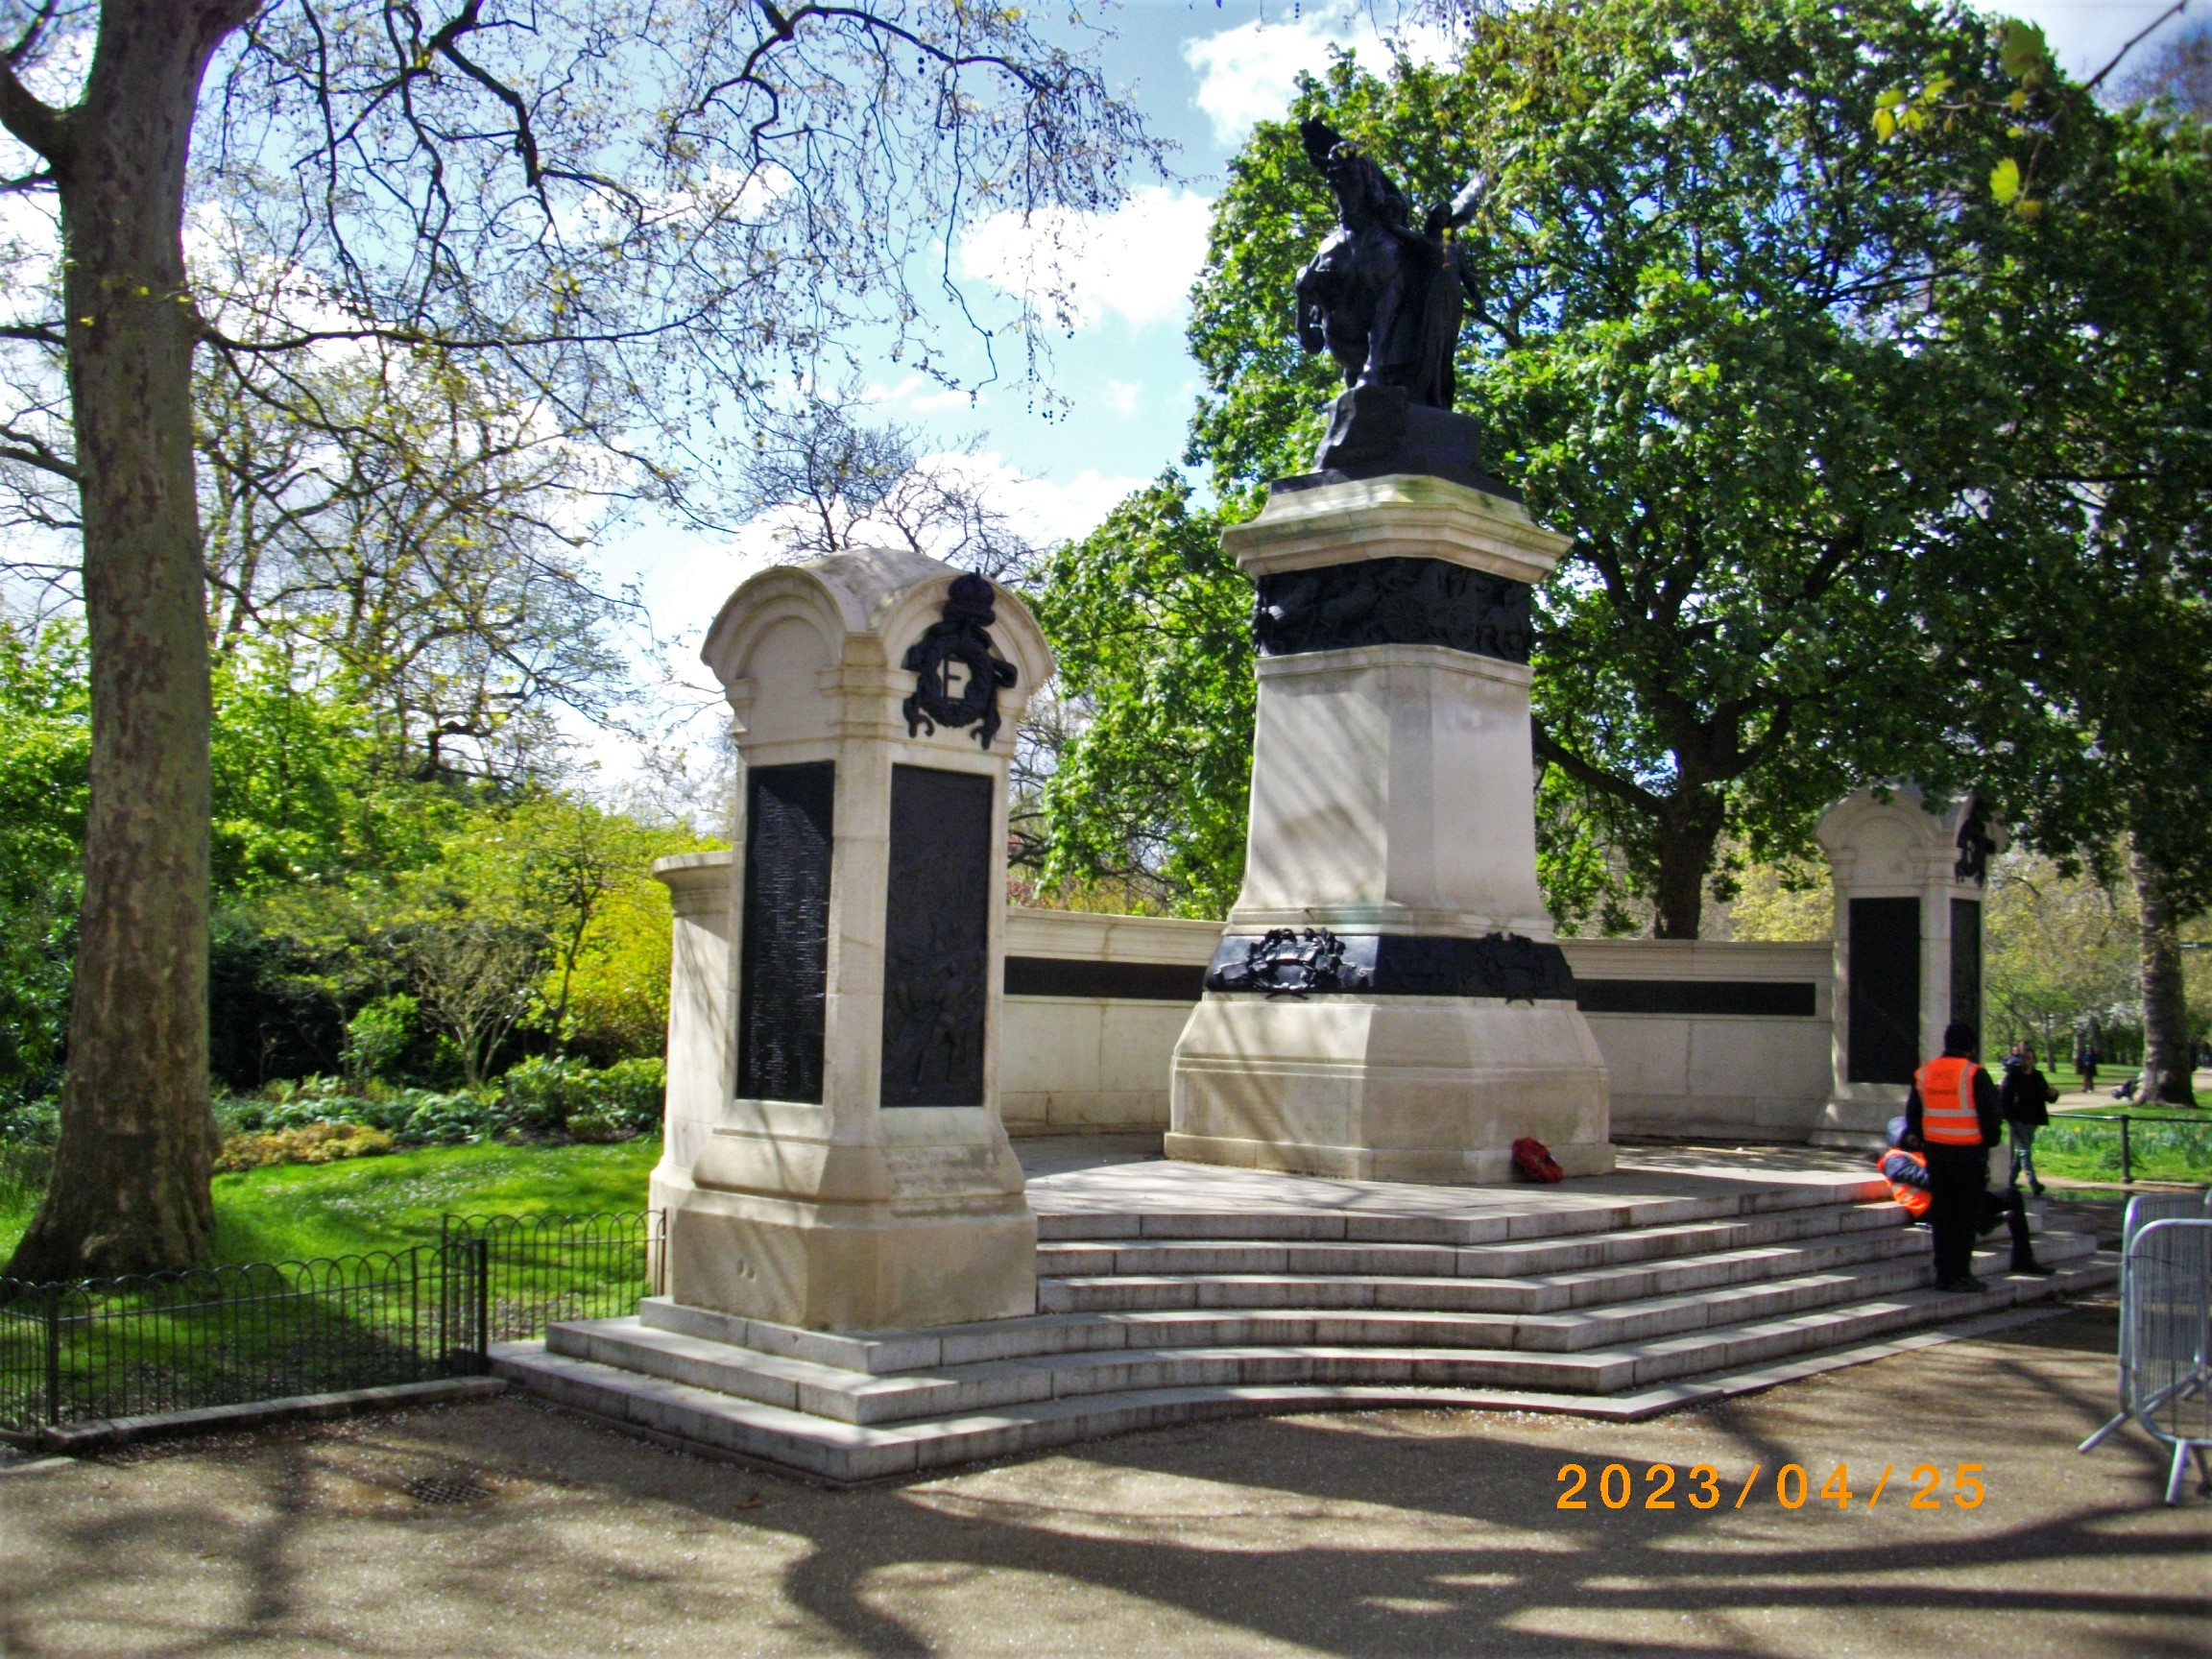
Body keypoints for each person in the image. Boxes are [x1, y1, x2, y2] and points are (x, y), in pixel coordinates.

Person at [1879, 1115, 2051, 1278]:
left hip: (1952, 1200)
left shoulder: (1926, 1152)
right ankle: (1981, 1221)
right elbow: (1928, 1180)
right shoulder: (1894, 1158)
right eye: (1909, 1135)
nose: (1915, 1138)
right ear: (1898, 1137)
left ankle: (2023, 1258)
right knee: (1967, 1200)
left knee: (2011, 1196)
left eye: (1915, 1133)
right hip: (1930, 1209)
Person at [1905, 1022, 2006, 1291]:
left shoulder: (1925, 1072)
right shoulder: (1974, 1074)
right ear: (1971, 1046)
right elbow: (1990, 1117)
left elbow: (1913, 1115)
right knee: (1965, 1217)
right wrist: (1990, 1140)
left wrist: (1920, 1135)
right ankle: (1960, 1273)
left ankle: (1943, 1273)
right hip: (1968, 1156)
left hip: (1937, 1154)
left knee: (1944, 1214)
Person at [1999, 1042, 2058, 1198]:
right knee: (2025, 1151)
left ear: (2034, 1060)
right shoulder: (2013, 1076)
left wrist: (2053, 1094)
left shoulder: (2038, 1076)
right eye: (2024, 1058)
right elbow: (2005, 1098)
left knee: (2021, 1153)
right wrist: (2008, 1116)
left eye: (2030, 1058)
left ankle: (2010, 1180)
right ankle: (2034, 1183)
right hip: (2018, 1119)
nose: (2027, 1061)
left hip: (2033, 1119)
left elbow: (2046, 1095)